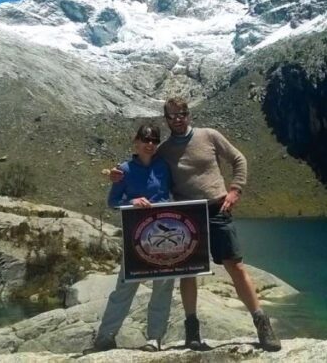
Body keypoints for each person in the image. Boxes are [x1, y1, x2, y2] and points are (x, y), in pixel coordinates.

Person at [110, 97, 282, 352]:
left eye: (182, 113)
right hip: (186, 215)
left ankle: (261, 323)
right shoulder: (165, 149)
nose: (178, 118)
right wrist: (117, 175)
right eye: (172, 115)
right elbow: (143, 164)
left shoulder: (209, 135)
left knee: (235, 265)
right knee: (189, 272)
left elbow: (239, 160)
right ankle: (192, 330)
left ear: (189, 115)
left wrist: (235, 190)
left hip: (217, 208)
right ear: (166, 119)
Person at [90, 124, 175, 353]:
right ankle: (105, 337)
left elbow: (172, 193)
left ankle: (155, 338)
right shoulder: (124, 170)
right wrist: (132, 202)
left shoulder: (163, 167)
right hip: (136, 237)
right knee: (125, 288)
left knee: (163, 288)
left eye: (154, 140)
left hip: (163, 236)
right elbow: (113, 202)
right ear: (135, 142)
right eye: (145, 139)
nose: (150, 144)